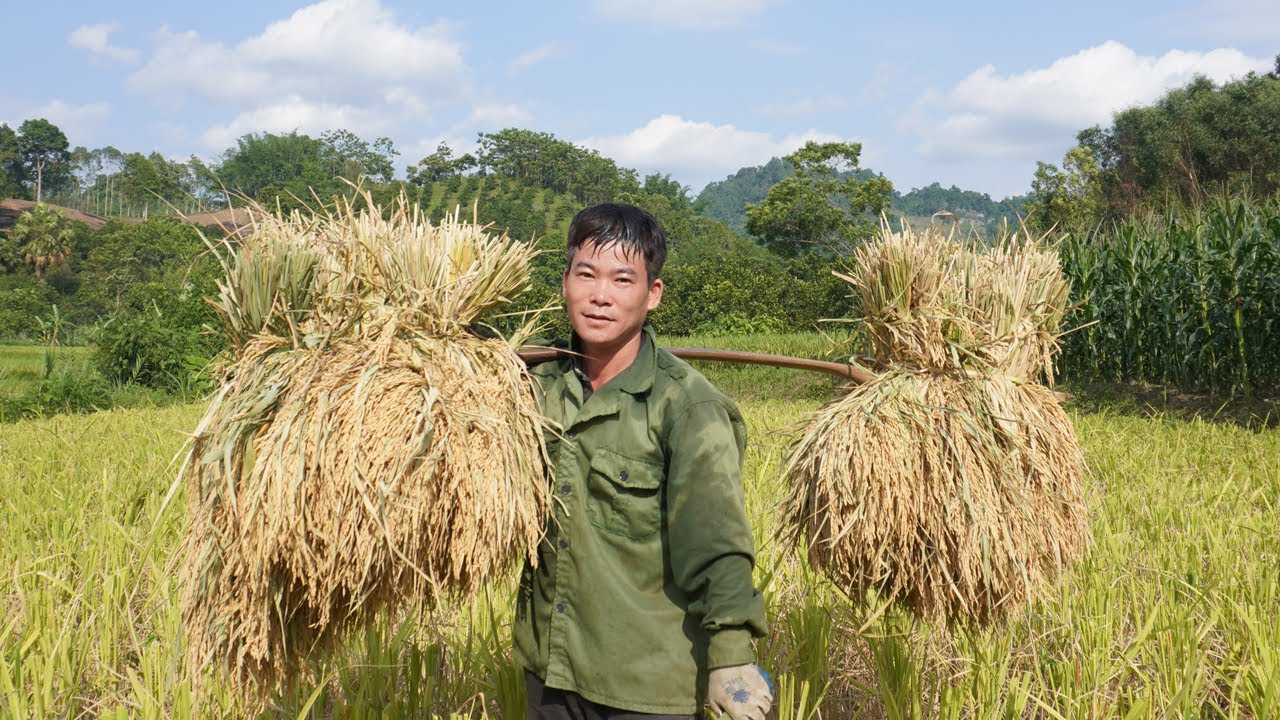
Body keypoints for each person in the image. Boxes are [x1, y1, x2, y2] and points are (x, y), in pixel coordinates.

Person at [514, 203, 772, 720]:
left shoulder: (688, 408)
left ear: (652, 294)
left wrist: (731, 660)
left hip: (647, 687)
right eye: (585, 274)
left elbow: (718, 545)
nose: (600, 295)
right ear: (565, 280)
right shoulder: (533, 387)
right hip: (549, 670)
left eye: (622, 279)